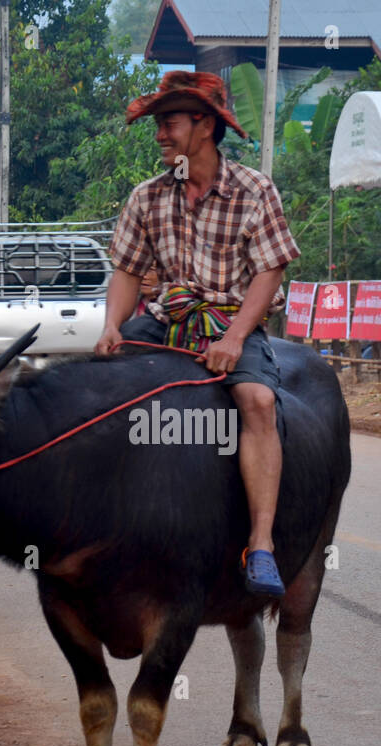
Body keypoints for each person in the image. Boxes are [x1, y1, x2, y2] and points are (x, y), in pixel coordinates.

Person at [94, 71, 299, 597]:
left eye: (170, 123)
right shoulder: (146, 197)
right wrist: (113, 327)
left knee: (255, 400)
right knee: (98, 389)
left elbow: (269, 270)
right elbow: (126, 270)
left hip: (234, 318)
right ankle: (107, 526)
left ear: (204, 125)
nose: (160, 134)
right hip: (167, 318)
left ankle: (260, 544)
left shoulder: (255, 190)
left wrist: (234, 338)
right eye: (158, 125)